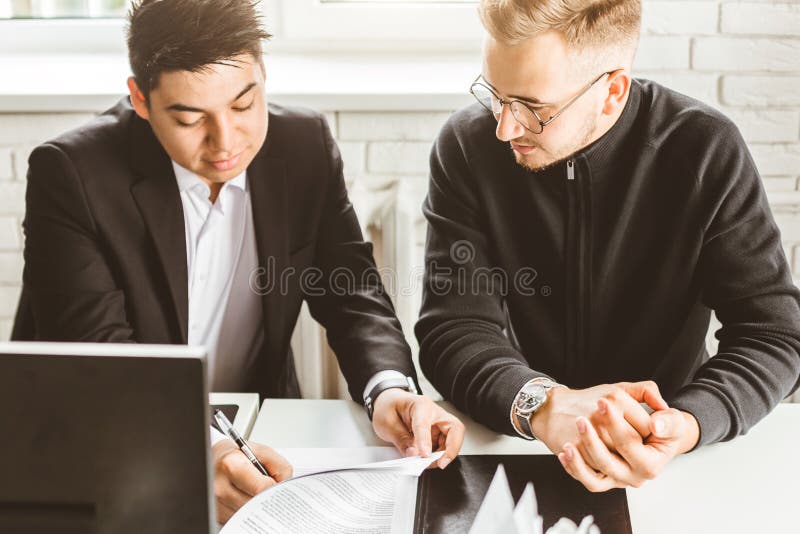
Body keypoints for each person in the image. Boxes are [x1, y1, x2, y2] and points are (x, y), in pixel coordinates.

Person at [12, 0, 463, 522]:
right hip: (103, 439)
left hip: (259, 429)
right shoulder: (72, 175)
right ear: (140, 98)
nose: (226, 142)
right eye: (189, 117)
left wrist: (388, 390)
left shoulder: (304, 146)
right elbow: (103, 361)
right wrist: (199, 450)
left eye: (244, 105)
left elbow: (351, 293)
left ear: (262, 75)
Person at [415, 0, 800, 492]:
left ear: (612, 91)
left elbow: (772, 333)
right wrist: (542, 404)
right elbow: (454, 326)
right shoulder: (466, 146)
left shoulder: (704, 149)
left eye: (533, 109)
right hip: (517, 443)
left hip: (673, 462)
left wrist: (687, 422)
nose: (504, 128)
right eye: (494, 94)